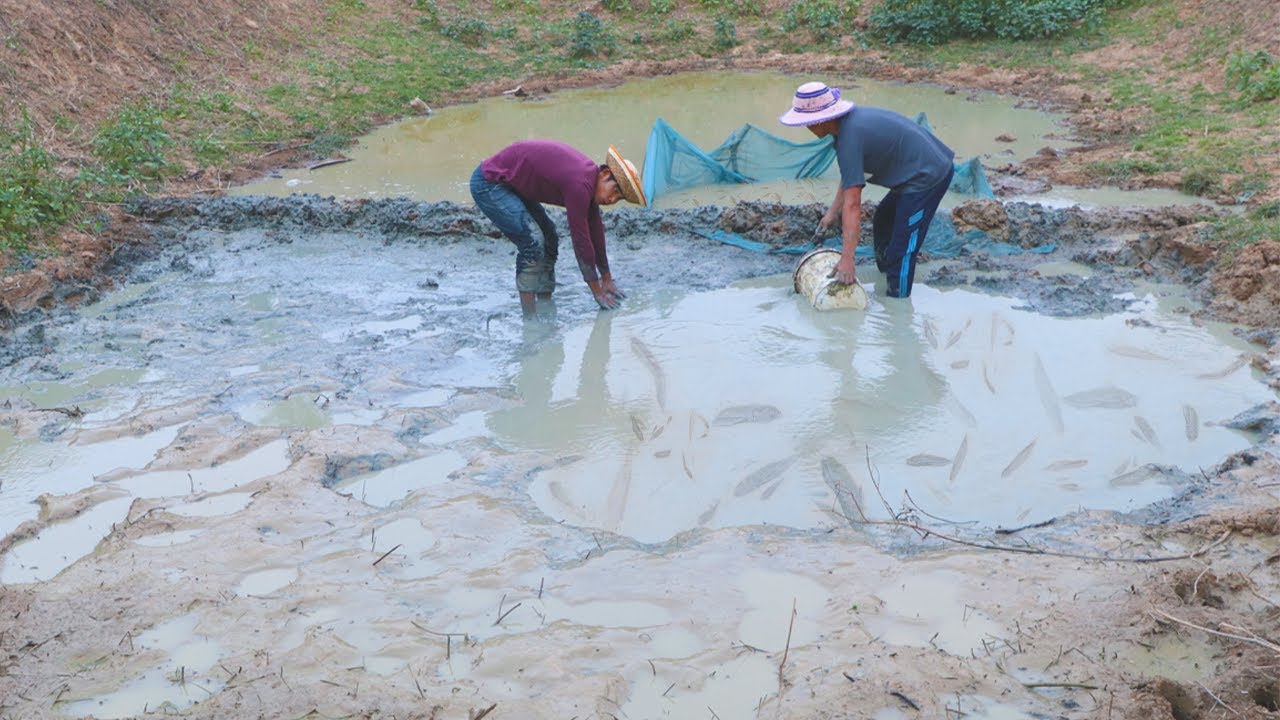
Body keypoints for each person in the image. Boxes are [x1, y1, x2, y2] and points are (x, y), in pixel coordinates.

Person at [779, 81, 955, 299]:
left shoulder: (850, 137)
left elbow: (853, 203)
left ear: (823, 118)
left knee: (903, 249)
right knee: (883, 219)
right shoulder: (843, 129)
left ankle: (897, 304)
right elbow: (850, 176)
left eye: (809, 121)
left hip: (928, 176)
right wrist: (832, 213)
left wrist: (847, 259)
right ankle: (887, 276)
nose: (807, 127)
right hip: (911, 173)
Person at [470, 140, 646, 316]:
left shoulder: (590, 183)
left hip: (513, 185)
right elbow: (580, 240)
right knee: (533, 242)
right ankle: (530, 320)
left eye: (618, 198)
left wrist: (607, 279)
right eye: (614, 190)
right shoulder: (580, 184)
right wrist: (597, 292)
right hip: (489, 184)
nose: (611, 200)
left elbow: (596, 233)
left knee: (550, 238)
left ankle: (545, 301)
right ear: (605, 173)